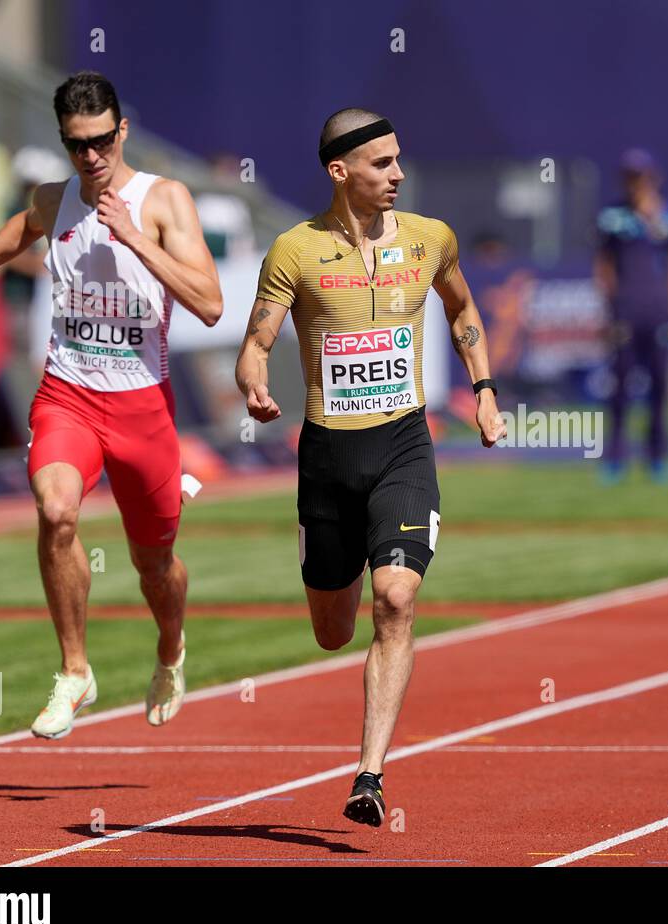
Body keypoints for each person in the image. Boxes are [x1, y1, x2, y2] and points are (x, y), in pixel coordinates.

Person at [0, 71, 223, 739]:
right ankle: (75, 670)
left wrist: (135, 238)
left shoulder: (163, 199)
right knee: (55, 509)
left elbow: (209, 304)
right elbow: (21, 228)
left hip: (142, 407)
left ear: (121, 132)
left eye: (100, 142)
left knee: (154, 564)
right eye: (75, 145)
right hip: (67, 394)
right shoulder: (54, 197)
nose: (90, 158)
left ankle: (171, 646)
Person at [234, 109, 505, 826]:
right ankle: (332, 564)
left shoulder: (431, 239)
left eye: (398, 160)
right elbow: (256, 340)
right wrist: (254, 379)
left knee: (395, 598)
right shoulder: (294, 250)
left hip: (403, 448)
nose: (398, 174)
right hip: (327, 457)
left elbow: (463, 307)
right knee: (332, 629)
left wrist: (483, 390)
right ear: (340, 171)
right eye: (382, 164)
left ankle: (369, 775)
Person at [594, 148, 668, 483]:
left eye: (640, 176)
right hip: (625, 312)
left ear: (654, 178)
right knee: (620, 386)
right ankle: (616, 458)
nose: (634, 183)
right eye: (629, 177)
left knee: (661, 386)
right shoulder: (613, 216)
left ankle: (658, 456)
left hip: (659, 312)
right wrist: (610, 308)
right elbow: (604, 265)